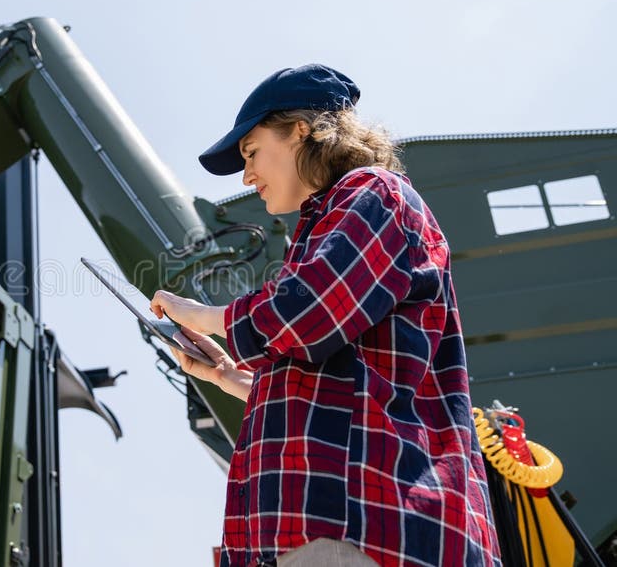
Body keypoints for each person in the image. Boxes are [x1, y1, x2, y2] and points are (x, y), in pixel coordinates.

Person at [149, 65, 501, 567]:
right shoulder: (337, 223)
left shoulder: (376, 194)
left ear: (301, 129)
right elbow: (351, 384)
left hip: (367, 527)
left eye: (250, 152)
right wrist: (236, 378)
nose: (247, 176)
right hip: (344, 531)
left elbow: (308, 311)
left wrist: (206, 316)